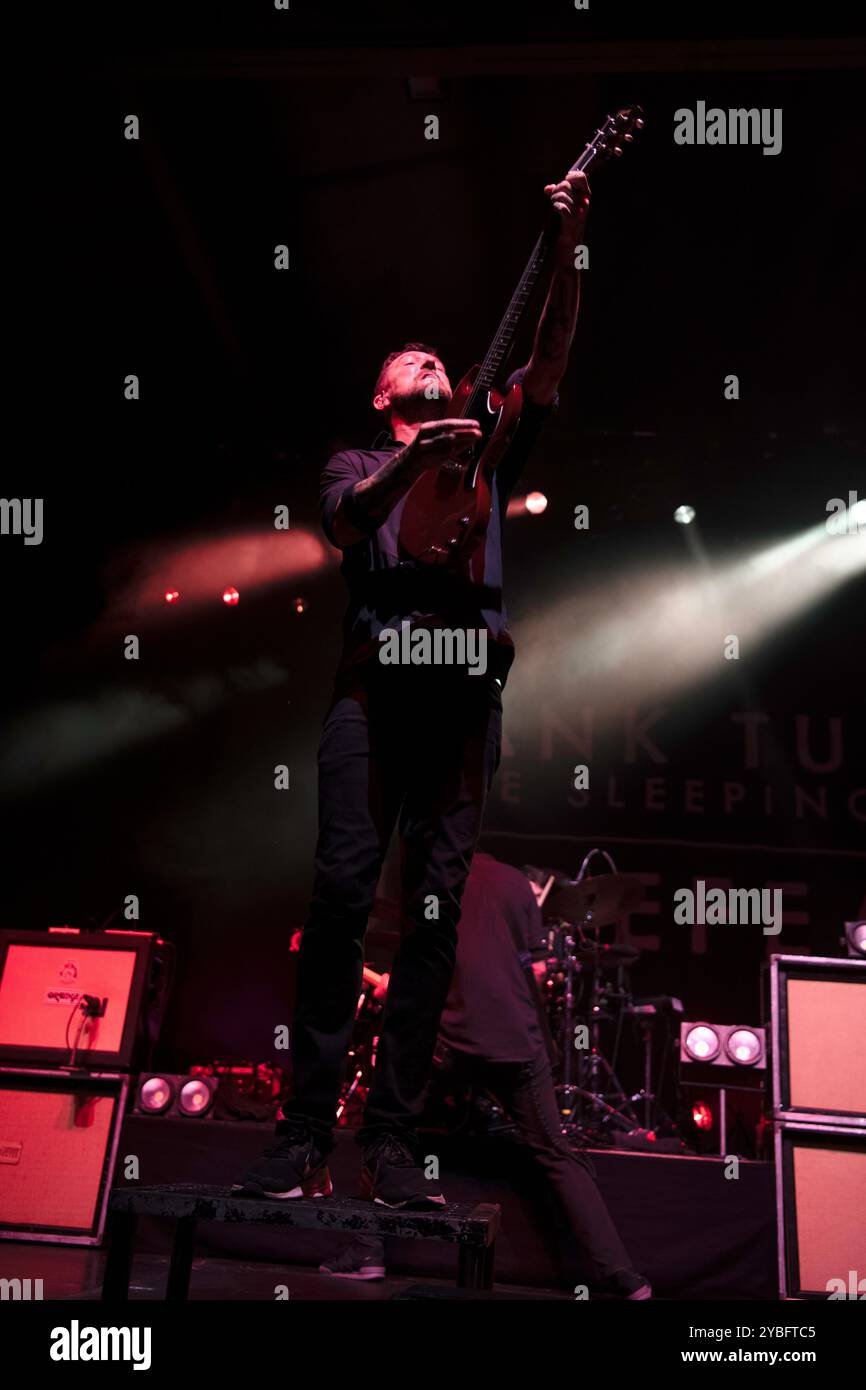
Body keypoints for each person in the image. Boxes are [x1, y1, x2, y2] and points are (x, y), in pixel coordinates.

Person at [234, 168, 592, 1209]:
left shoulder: (486, 443)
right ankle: (303, 1136)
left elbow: (551, 350)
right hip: (368, 697)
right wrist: (415, 459)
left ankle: (389, 1140)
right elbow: (346, 529)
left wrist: (563, 241)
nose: (431, 360)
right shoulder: (354, 460)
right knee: (343, 896)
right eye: (411, 359)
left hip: (460, 700)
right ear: (384, 394)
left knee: (430, 918)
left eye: (440, 356)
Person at [320, 853, 651, 1298]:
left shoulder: (427, 878)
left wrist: (370, 976)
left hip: (451, 1042)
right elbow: (535, 967)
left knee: (386, 1127)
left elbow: (415, 980)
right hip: (520, 1044)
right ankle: (622, 1276)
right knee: (557, 1153)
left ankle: (365, 1253)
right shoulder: (516, 881)